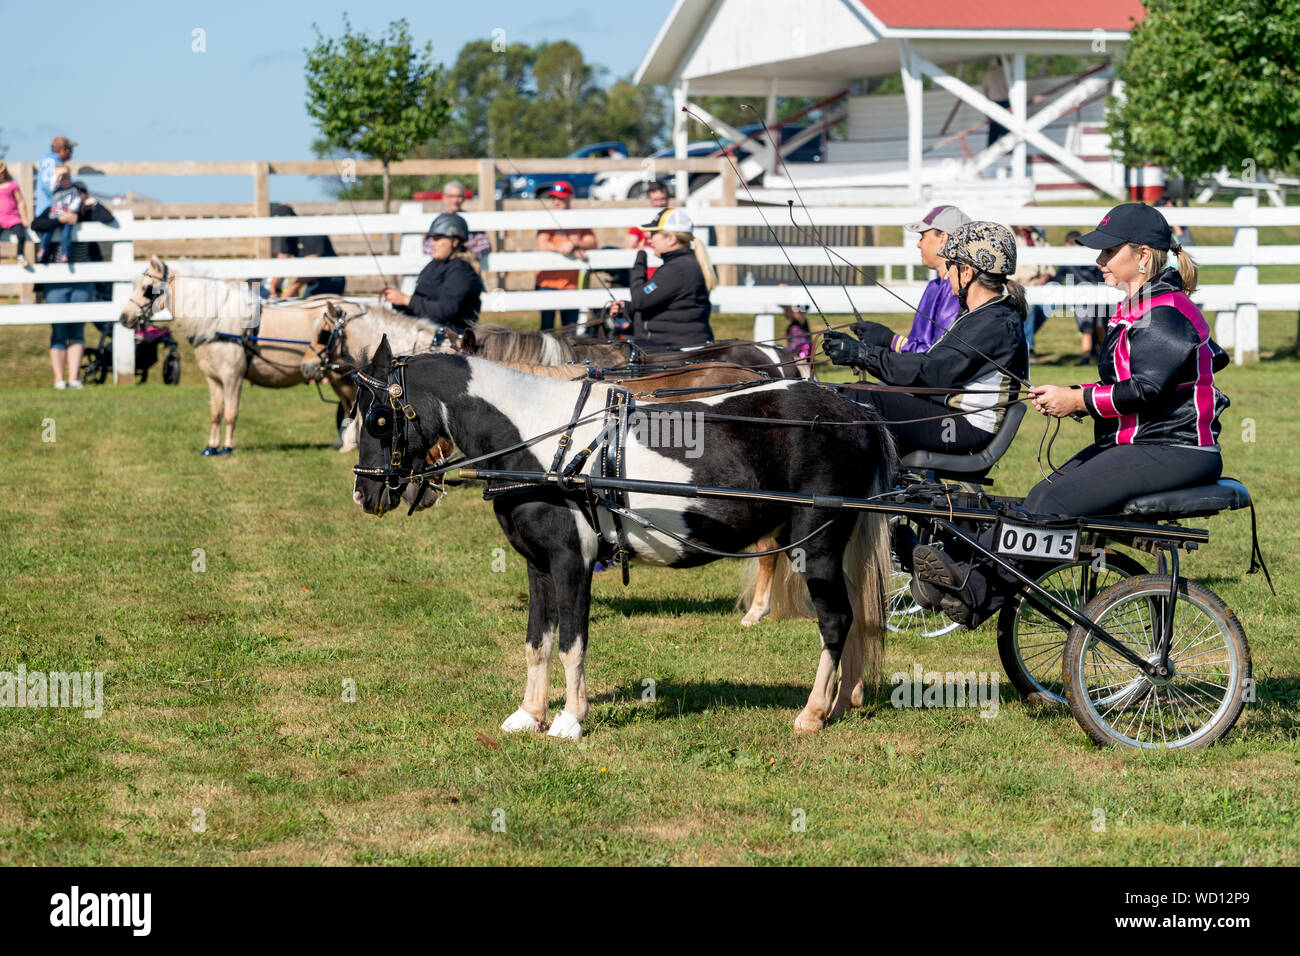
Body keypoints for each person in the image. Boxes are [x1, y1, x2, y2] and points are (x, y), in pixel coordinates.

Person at [912, 202, 1229, 628]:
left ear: (1142, 256)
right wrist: (1074, 394)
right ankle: (966, 576)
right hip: (1144, 443)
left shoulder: (1165, 312)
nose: (1099, 262)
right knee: (1039, 497)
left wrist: (1077, 401)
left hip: (1176, 449)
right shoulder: (1147, 305)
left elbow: (1147, 389)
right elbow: (1146, 384)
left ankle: (974, 588)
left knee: (1051, 502)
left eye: (1108, 252)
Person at [822, 220, 1029, 458]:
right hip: (948, 414)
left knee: (862, 398)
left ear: (967, 272)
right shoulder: (983, 314)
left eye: (951, 265)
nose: (947, 274)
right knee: (857, 391)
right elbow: (932, 365)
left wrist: (863, 355)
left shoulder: (994, 322)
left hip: (967, 428)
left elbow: (930, 372)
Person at [609, 208, 715, 348]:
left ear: (671, 239)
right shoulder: (682, 264)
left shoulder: (676, 269)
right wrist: (627, 308)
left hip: (674, 350)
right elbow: (660, 306)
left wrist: (640, 260)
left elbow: (639, 299)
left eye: (653, 233)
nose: (649, 238)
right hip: (676, 345)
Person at [382, 212, 482, 333]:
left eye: (437, 239)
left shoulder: (462, 271)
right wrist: (399, 302)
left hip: (451, 339)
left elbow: (444, 310)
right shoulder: (434, 266)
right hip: (425, 333)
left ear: (454, 241)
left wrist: (406, 300)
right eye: (432, 239)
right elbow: (420, 308)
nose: (432, 243)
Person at [895, 204, 971, 353]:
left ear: (943, 237)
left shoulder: (956, 290)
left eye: (923, 236)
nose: (919, 244)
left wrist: (892, 341)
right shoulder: (934, 285)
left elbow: (937, 354)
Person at [535, 181, 595, 331]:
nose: (556, 202)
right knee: (547, 328)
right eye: (554, 198)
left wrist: (575, 243)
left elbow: (592, 242)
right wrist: (560, 248)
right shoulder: (547, 220)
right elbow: (542, 244)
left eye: (561, 198)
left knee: (569, 328)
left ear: (570, 198)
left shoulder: (578, 220)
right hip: (547, 283)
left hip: (570, 283)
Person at [1046, 230, 1107, 365]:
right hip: (1098, 294)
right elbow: (1099, 275)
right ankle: (1107, 355)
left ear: (1067, 245)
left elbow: (1058, 278)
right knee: (1100, 326)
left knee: (1087, 330)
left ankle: (1086, 356)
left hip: (1081, 297)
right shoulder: (1090, 257)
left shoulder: (1067, 261)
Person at [264, 202, 345, 298]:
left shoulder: (312, 232)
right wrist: (272, 288)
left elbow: (310, 271)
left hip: (331, 280)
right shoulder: (286, 236)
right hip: (312, 282)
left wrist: (287, 294)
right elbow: (280, 265)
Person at [1013, 224, 1052, 360]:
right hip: (1019, 283)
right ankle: (1029, 348)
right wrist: (1017, 281)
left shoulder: (1037, 236)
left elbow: (1049, 262)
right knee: (1030, 307)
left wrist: (1045, 276)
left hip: (1038, 283)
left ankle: (1021, 340)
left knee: (1050, 306)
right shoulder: (1012, 234)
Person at [33, 165, 82, 263]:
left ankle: (65, 253)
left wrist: (72, 209)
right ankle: (43, 249)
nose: (65, 179)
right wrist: (57, 174)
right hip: (54, 216)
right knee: (47, 233)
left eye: (67, 177)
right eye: (62, 177)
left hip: (67, 215)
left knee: (66, 234)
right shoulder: (55, 189)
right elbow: (52, 184)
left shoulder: (73, 190)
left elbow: (77, 200)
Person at [623, 181, 670, 279]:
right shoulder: (641, 221)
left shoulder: (674, 220)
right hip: (646, 272)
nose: (659, 203)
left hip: (668, 272)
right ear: (650, 200)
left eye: (663, 199)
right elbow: (629, 248)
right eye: (655, 200)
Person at [437, 180, 490, 261]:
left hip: (466, 264)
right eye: (451, 196)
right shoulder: (439, 221)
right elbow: (428, 246)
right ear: (444, 198)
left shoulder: (472, 220)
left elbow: (484, 244)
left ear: (464, 198)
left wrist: (465, 253)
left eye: (459, 196)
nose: (455, 200)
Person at [35, 135, 75, 222]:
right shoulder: (51, 162)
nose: (71, 153)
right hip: (49, 212)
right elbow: (48, 187)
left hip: (52, 212)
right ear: (62, 150)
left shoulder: (49, 160)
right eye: (70, 149)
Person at [0, 160, 31, 268]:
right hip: (0, 218)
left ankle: (20, 255)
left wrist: (24, 218)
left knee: (21, 235)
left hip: (13, 217)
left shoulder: (12, 185)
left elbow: (21, 201)